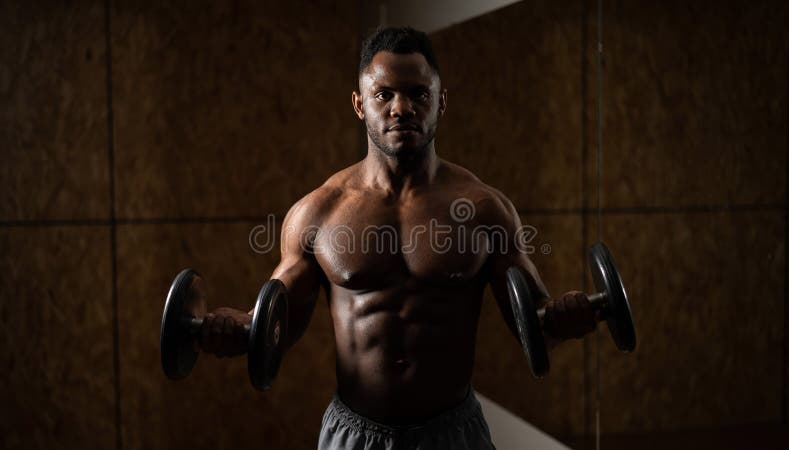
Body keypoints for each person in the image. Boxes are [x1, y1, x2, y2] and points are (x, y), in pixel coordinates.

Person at [199, 27, 596, 450]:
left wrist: (566, 315)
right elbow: (278, 322)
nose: (400, 108)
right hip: (354, 434)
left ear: (440, 102)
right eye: (383, 94)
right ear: (359, 104)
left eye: (418, 94)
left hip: (452, 434)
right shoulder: (318, 212)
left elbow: (535, 326)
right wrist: (242, 328)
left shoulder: (484, 210)